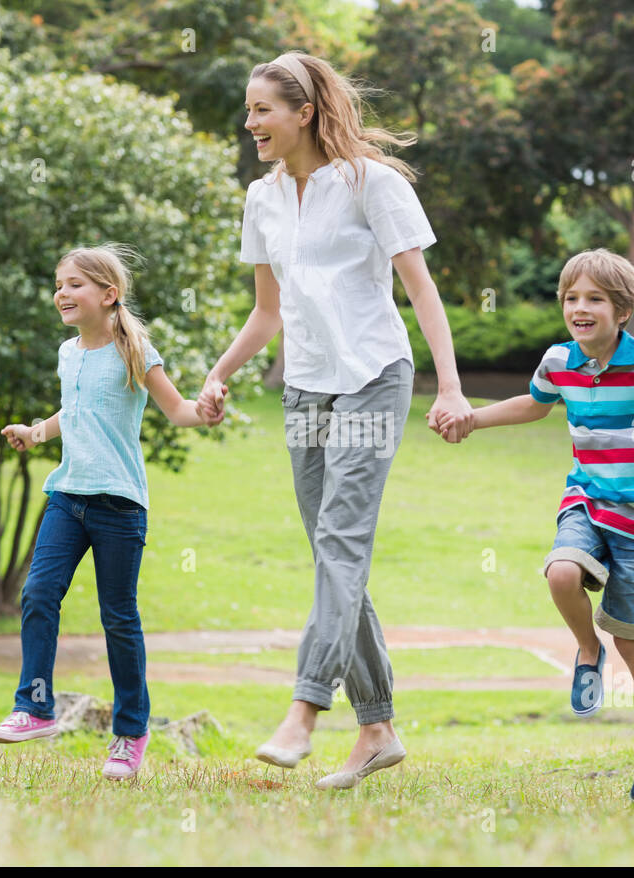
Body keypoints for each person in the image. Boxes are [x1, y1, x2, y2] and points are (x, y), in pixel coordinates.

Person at [196, 51, 472, 790]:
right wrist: (218, 377)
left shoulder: (369, 185)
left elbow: (422, 291)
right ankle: (377, 726)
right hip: (306, 389)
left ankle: (305, 709)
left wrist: (449, 386)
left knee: (340, 542)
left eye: (263, 110)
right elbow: (268, 311)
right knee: (331, 553)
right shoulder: (262, 199)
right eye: (249, 110)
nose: (251, 122)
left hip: (374, 379)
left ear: (304, 111)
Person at [438, 249, 634, 800]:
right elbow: (533, 405)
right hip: (587, 499)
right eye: (572, 298)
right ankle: (586, 648)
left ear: (621, 310)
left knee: (632, 638)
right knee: (559, 573)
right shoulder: (558, 362)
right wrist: (472, 418)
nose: (580, 308)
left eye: (594, 299)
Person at [0, 243, 213, 782]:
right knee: (39, 594)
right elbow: (75, 409)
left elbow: (177, 409)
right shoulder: (69, 353)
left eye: (75, 284)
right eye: (59, 284)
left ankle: (132, 734)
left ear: (108, 295)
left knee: (118, 619)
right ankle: (34, 708)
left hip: (119, 504)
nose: (62, 292)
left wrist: (205, 413)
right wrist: (36, 431)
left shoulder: (136, 351)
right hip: (68, 495)